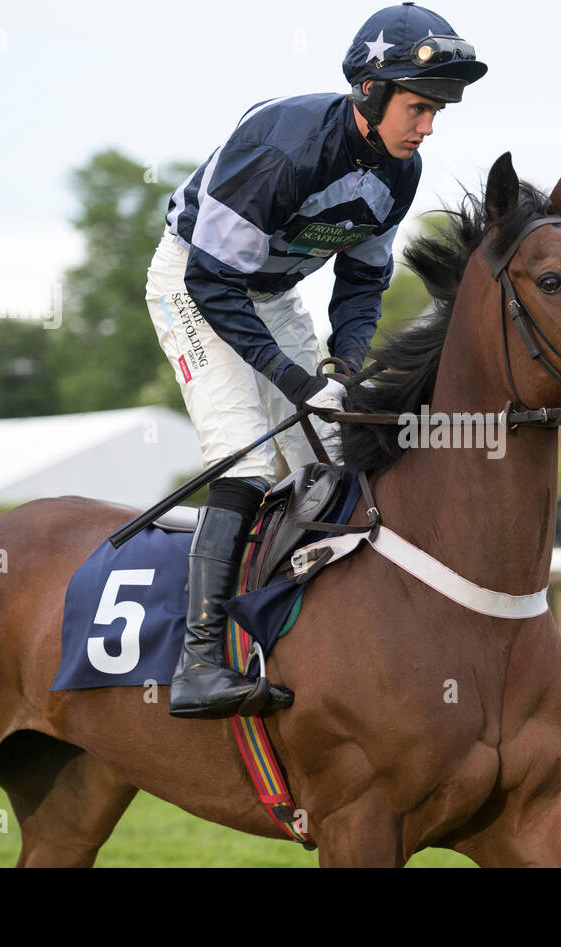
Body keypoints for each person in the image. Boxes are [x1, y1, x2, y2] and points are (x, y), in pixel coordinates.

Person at [145, 2, 487, 719]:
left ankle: (329, 640)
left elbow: (363, 282)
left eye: (437, 112)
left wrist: (342, 367)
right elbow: (212, 283)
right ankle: (199, 661)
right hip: (195, 282)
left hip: (269, 293)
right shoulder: (283, 148)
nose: (427, 127)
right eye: (419, 107)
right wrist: (295, 376)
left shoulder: (399, 172)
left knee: (332, 455)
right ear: (370, 91)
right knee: (243, 453)